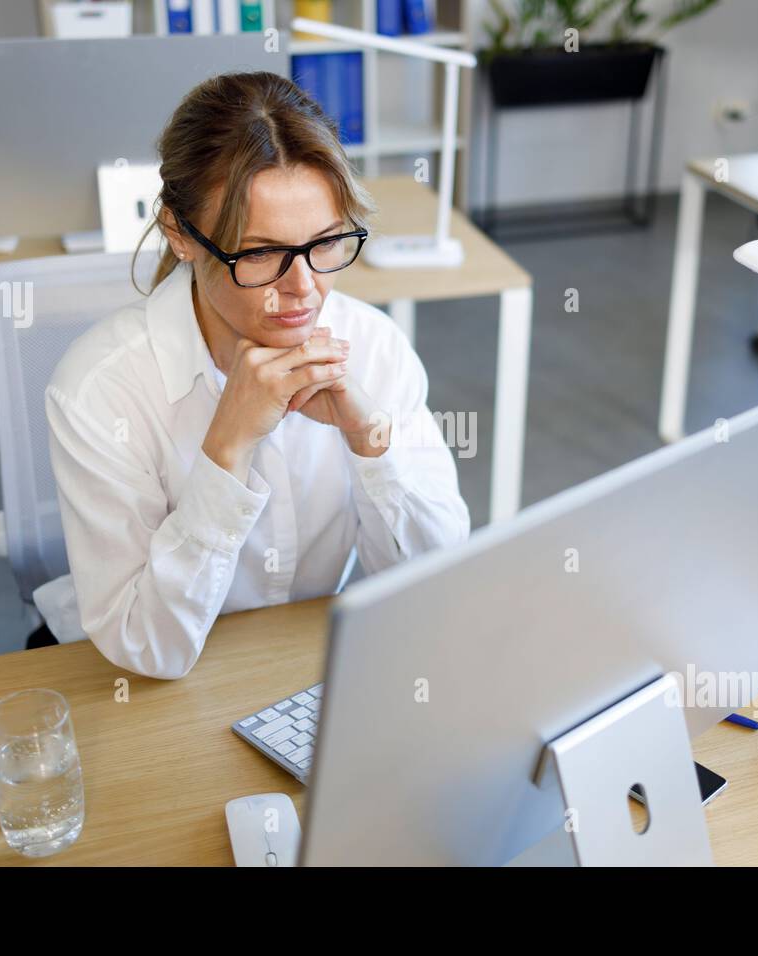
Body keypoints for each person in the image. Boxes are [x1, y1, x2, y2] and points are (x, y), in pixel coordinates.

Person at [33, 71, 470, 678]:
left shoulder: (373, 344)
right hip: (148, 685)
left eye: (326, 243)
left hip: (304, 662)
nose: (304, 288)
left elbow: (435, 590)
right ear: (180, 234)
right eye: (260, 253)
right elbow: (146, 648)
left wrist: (371, 441)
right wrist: (227, 448)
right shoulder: (99, 390)